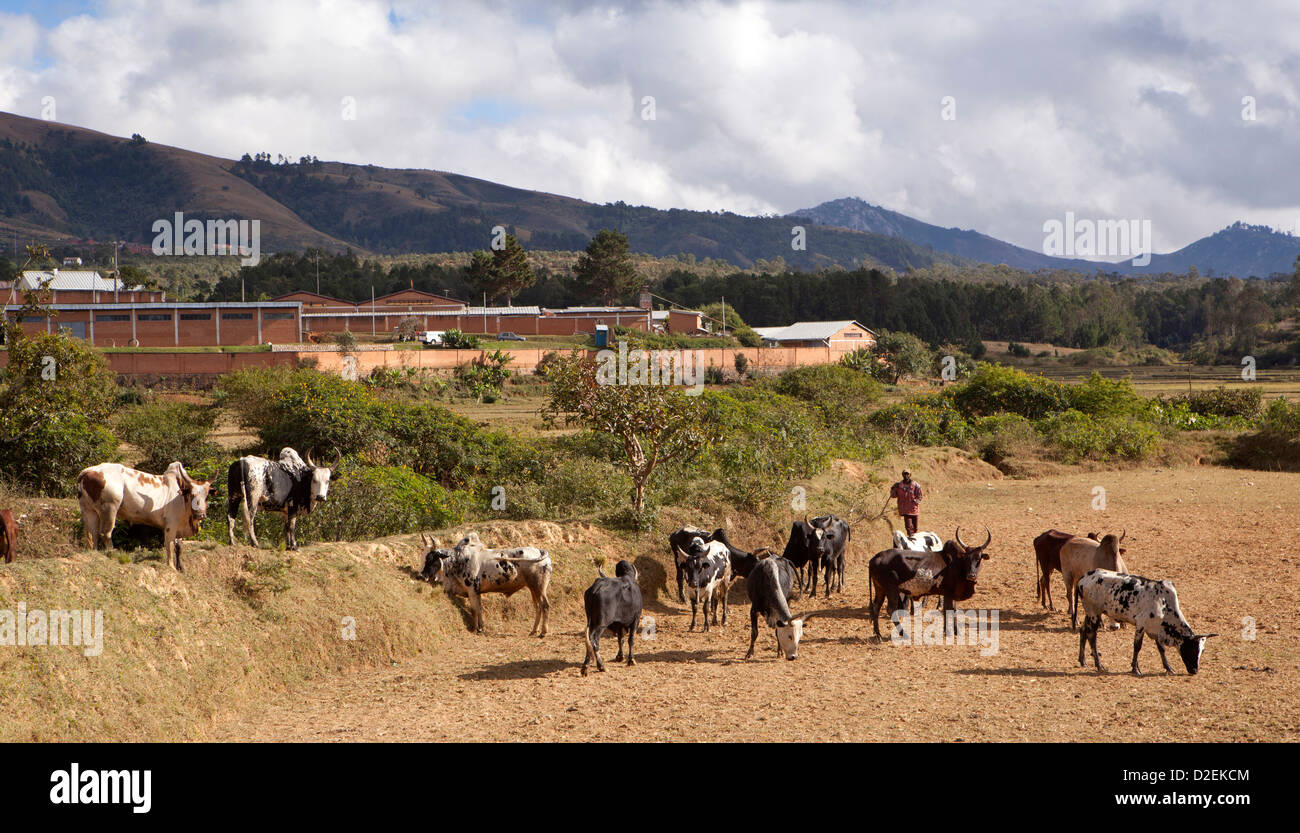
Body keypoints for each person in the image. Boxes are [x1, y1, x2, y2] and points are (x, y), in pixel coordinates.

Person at [888, 470, 923, 536]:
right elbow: (893, 495)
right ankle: (911, 539)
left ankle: (915, 540)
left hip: (914, 509)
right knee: (909, 527)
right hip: (905, 510)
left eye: (907, 474)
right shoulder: (899, 485)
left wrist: (915, 502)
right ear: (902, 475)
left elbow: (920, 495)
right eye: (904, 474)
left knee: (915, 528)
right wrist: (893, 488)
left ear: (910, 475)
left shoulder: (915, 485)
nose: (906, 475)